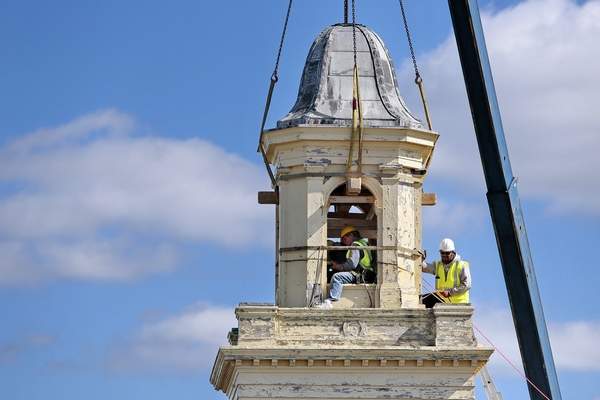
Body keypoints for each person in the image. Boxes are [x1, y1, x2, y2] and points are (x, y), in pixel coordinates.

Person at [316, 226, 374, 309]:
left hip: (359, 274)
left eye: (344, 238)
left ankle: (331, 301)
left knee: (337, 277)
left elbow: (351, 265)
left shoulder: (355, 245)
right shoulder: (364, 243)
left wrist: (338, 266)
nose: (342, 241)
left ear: (351, 235)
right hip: (367, 274)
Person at [421, 238, 471, 308]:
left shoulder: (462, 265)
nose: (444, 255)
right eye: (442, 253)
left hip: (458, 304)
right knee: (420, 301)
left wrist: (450, 292)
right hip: (442, 300)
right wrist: (421, 259)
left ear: (453, 252)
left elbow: (467, 285)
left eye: (447, 253)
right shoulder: (438, 265)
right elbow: (424, 267)